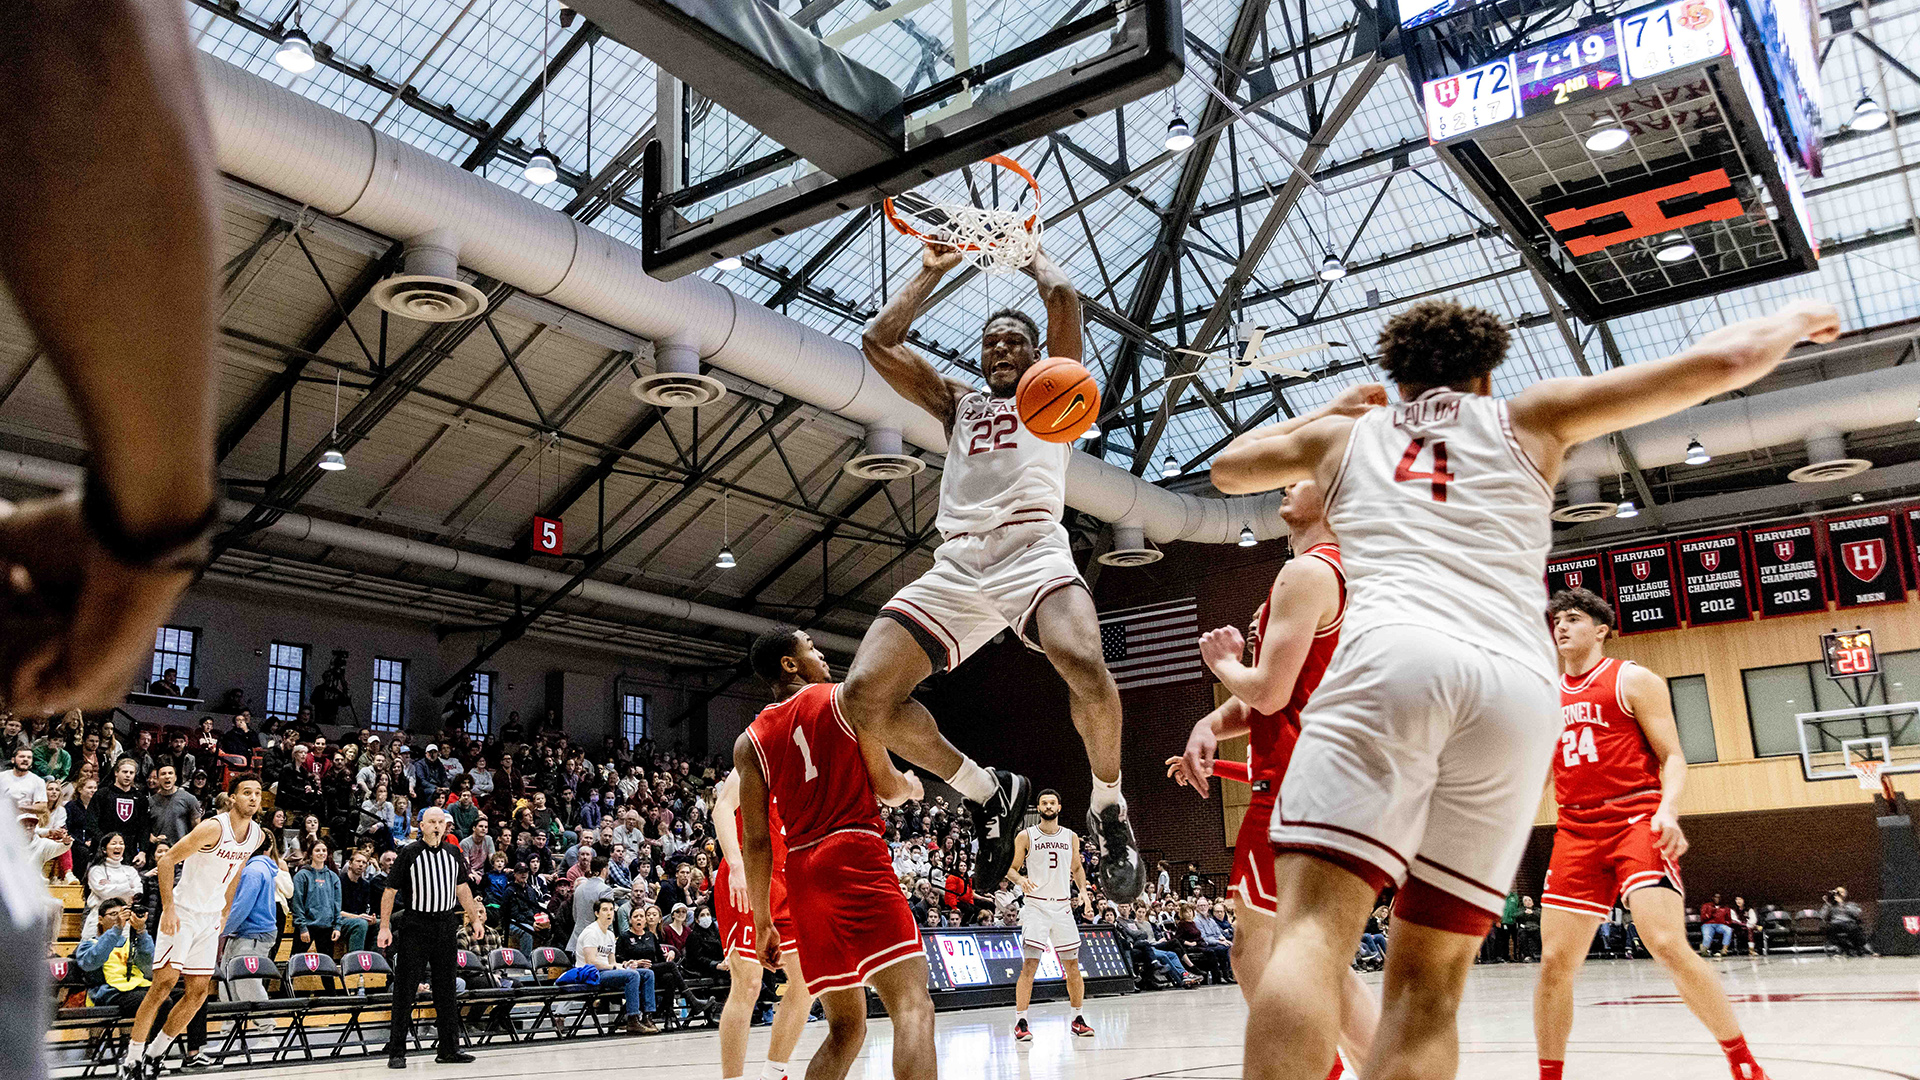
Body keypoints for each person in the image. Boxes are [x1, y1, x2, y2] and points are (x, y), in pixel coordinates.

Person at [1211, 295, 1841, 1080]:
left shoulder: (1346, 437)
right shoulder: (1529, 415)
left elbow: (1228, 468)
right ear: (1484, 372)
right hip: (1514, 689)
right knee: (1428, 986)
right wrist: (1795, 319)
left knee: (1309, 939)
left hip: (1393, 659)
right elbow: (1724, 363)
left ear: (1395, 378)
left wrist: (1327, 411)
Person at [848, 240, 1141, 901]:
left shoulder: (1057, 398)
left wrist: (1035, 256)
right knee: (865, 697)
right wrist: (927, 274)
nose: (1001, 350)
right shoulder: (959, 403)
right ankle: (987, 793)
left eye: (1013, 341)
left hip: (1033, 550)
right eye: (991, 343)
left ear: (1035, 356)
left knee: (1085, 661)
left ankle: (1109, 806)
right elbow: (876, 344)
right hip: (957, 563)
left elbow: (1064, 300)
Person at [1165, 479, 1377, 1075]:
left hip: (1301, 790)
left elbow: (1269, 689)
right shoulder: (1328, 576)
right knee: (1269, 954)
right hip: (1316, 786)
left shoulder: (1309, 574)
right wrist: (1210, 720)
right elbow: (1270, 700)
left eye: (1306, 473)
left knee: (1285, 961)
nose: (1288, 481)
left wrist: (1223, 662)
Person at [1533, 589, 1770, 1080]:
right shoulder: (1544, 693)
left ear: (1600, 629)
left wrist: (1669, 810)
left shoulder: (1633, 679)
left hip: (1634, 818)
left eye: (1573, 619)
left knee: (1664, 941)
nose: (1561, 627)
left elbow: (1673, 756)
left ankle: (1742, 1062)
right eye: (1556, 620)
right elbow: (1541, 770)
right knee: (1554, 961)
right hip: (1574, 827)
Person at [734, 626, 936, 1080]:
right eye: (811, 648)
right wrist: (911, 786)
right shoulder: (846, 698)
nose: (821, 654)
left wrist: (764, 920)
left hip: (803, 872)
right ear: (790, 664)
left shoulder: (749, 742)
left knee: (846, 1028)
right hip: (853, 850)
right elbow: (886, 785)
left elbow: (758, 840)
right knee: (912, 1004)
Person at [116, 773, 263, 1080]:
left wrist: (224, 912)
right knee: (163, 985)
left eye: (258, 793)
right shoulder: (213, 827)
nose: (253, 798)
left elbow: (236, 872)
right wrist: (168, 908)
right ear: (233, 797)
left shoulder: (256, 835)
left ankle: (155, 1055)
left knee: (197, 992)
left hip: (209, 917)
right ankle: (131, 1060)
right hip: (182, 912)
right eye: (246, 792)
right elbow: (167, 860)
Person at [712, 769, 813, 1080]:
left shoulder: (805, 768)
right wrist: (736, 864)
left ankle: (774, 1073)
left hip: (788, 879)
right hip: (748, 874)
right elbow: (722, 809)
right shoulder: (754, 756)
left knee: (807, 981)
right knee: (749, 983)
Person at [377, 806, 487, 1068]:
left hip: (446, 925)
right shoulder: (409, 853)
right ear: (421, 826)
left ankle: (449, 1049)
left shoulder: (452, 852)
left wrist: (474, 919)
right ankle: (397, 1051)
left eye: (441, 822)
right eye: (432, 822)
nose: (437, 826)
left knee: (447, 989)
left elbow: (463, 889)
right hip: (416, 924)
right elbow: (390, 891)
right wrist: (383, 927)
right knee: (405, 989)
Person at [1007, 788, 1097, 1041]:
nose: (1048, 806)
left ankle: (1078, 1018)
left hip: (1063, 907)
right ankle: (1021, 1021)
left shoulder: (1070, 836)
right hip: (1036, 907)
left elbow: (1077, 867)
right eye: (1044, 803)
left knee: (1072, 966)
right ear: (1039, 808)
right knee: (1030, 965)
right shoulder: (1026, 836)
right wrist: (1021, 880)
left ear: (1059, 807)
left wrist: (1084, 893)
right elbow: (1011, 869)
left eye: (1052, 803)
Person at [578, 896, 660, 1034]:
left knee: (647, 973)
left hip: (606, 972)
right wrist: (616, 967)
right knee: (632, 975)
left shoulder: (610, 934)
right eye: (604, 910)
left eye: (611, 910)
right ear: (597, 913)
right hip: (590, 974)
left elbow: (612, 961)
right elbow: (590, 962)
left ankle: (647, 1016)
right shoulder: (591, 933)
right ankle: (632, 1019)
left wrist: (625, 964)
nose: (609, 913)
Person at [84, 832, 143, 941]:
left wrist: (111, 885)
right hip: (98, 919)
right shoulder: (96, 870)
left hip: (124, 919)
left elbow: (138, 892)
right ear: (104, 849)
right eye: (113, 843)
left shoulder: (130, 870)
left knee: (120, 955)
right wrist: (128, 886)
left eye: (121, 843)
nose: (118, 846)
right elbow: (105, 893)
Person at [292, 839, 342, 956]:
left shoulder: (333, 877)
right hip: (307, 927)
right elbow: (297, 903)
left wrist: (337, 927)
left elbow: (337, 904)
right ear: (311, 854)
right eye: (317, 850)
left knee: (327, 968)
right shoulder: (302, 875)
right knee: (295, 962)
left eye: (324, 850)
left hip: (327, 928)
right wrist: (302, 927)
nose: (321, 853)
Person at [147, 764, 201, 848]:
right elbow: (145, 827)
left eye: (170, 773)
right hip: (158, 851)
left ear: (175, 778)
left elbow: (197, 827)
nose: (167, 776)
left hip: (180, 850)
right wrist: (151, 838)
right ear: (158, 779)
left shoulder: (189, 799)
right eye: (163, 774)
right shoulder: (150, 801)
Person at [1820, 887, 1868, 956]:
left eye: (1840, 892)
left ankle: (1860, 948)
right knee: (1829, 928)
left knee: (1853, 928)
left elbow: (1857, 914)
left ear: (1845, 894)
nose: (1838, 894)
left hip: (1849, 924)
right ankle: (1834, 948)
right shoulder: (1830, 905)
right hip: (1835, 925)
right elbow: (1822, 916)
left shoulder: (1850, 904)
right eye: (1836, 892)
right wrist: (1828, 904)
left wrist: (1842, 904)